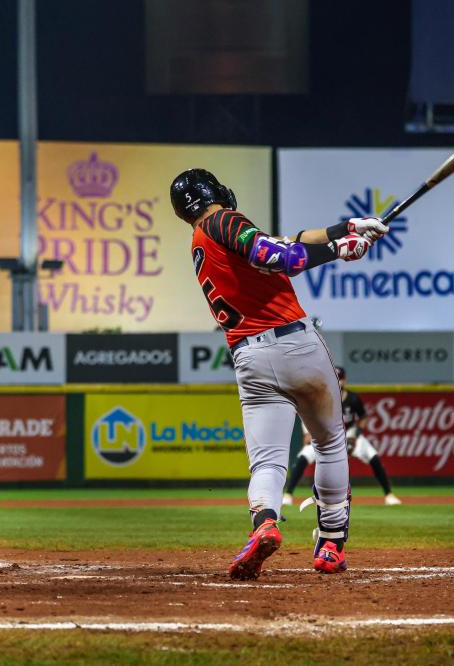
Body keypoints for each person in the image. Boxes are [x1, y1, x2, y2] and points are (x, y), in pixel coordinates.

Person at [169, 169, 387, 578]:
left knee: (266, 461)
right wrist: (339, 250)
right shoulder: (223, 220)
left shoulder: (202, 240)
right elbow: (281, 257)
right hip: (295, 344)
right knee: (330, 442)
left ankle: (265, 524)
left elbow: (286, 242)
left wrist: (346, 228)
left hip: (249, 358)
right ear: (214, 192)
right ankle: (331, 545)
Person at [283, 366, 402, 508]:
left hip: (348, 434)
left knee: (374, 457)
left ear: (344, 380)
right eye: (334, 378)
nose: (337, 381)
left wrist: (356, 434)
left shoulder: (353, 398)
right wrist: (307, 433)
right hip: (324, 434)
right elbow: (307, 413)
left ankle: (389, 495)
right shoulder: (321, 398)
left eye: (340, 379)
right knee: (303, 458)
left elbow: (363, 417)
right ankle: (288, 495)